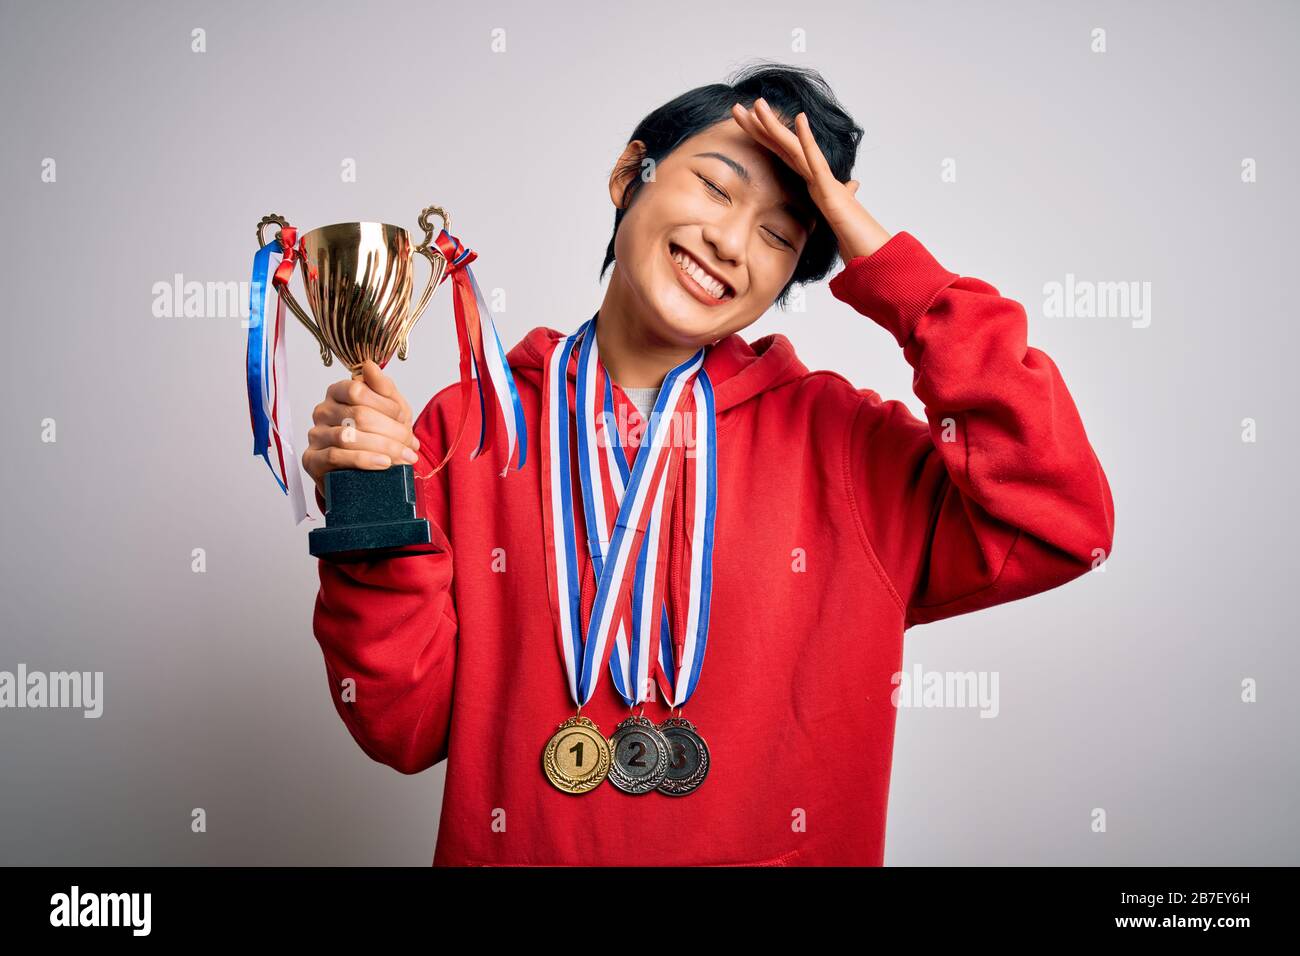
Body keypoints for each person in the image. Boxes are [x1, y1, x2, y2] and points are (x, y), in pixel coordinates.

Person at [304, 62, 1115, 866]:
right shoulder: (471, 425)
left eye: (780, 235)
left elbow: (1063, 522)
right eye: (716, 188)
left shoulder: (845, 444)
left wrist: (897, 273)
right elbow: (402, 729)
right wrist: (368, 501)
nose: (730, 241)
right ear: (630, 174)